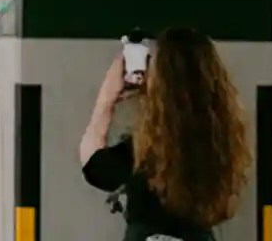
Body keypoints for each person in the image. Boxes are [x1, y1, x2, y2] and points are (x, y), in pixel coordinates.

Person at [79, 28, 250, 241]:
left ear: (160, 84)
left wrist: (108, 97)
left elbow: (93, 165)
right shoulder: (220, 146)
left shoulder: (144, 153)